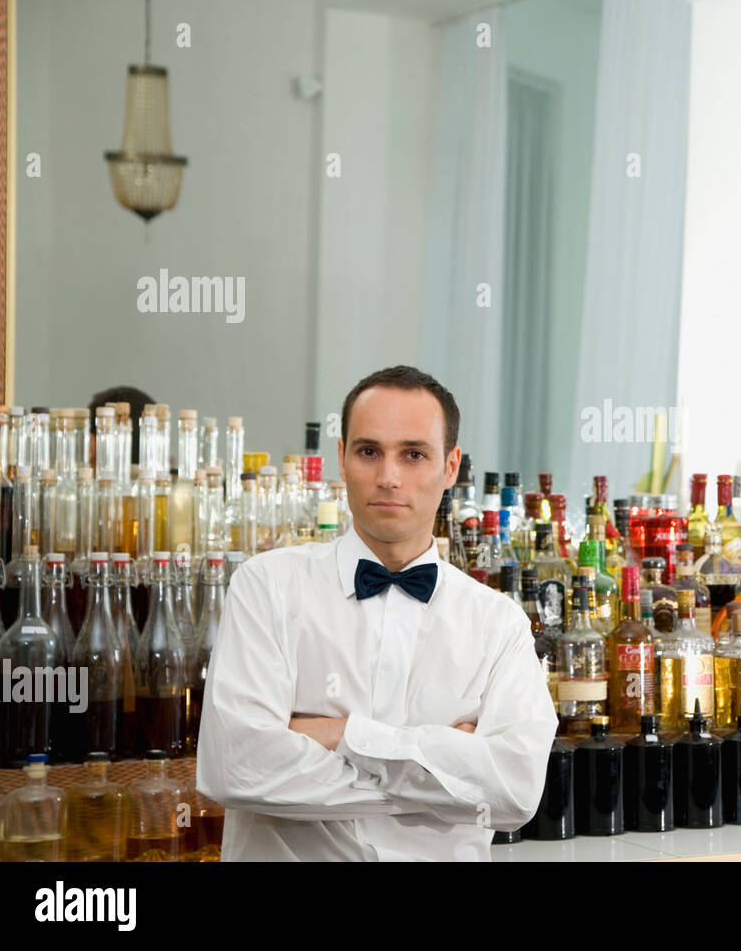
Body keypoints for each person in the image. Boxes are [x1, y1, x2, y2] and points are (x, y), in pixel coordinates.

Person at [196, 365, 556, 860]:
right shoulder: (267, 586)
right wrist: (441, 766)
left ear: (451, 468)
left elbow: (515, 792)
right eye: (369, 452)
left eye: (413, 454)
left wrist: (341, 735)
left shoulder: (499, 625)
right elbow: (235, 768)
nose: (389, 477)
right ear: (341, 459)